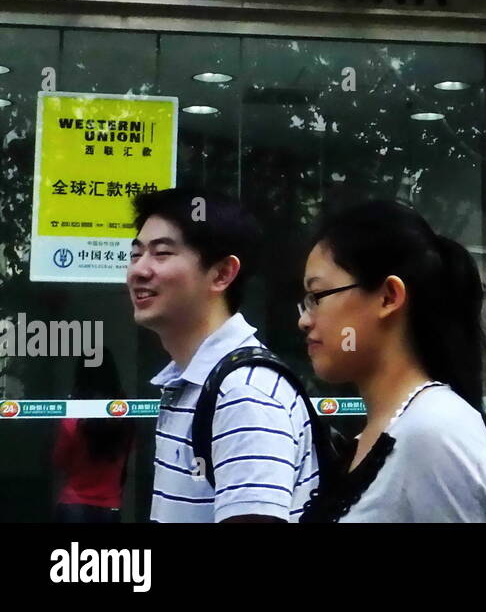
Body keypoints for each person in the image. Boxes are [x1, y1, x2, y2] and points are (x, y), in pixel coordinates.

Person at [296, 200, 486, 522]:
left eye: (318, 296)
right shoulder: (373, 439)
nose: (304, 320)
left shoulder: (435, 429)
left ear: (388, 297)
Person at [130, 187, 318, 522]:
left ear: (222, 274)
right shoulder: (194, 381)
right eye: (136, 254)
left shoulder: (244, 394)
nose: (139, 271)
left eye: (161, 254)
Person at [53, 353, 133, 523]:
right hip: (109, 507)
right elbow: (129, 451)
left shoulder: (72, 418)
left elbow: (59, 460)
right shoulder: (124, 416)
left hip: (73, 506)